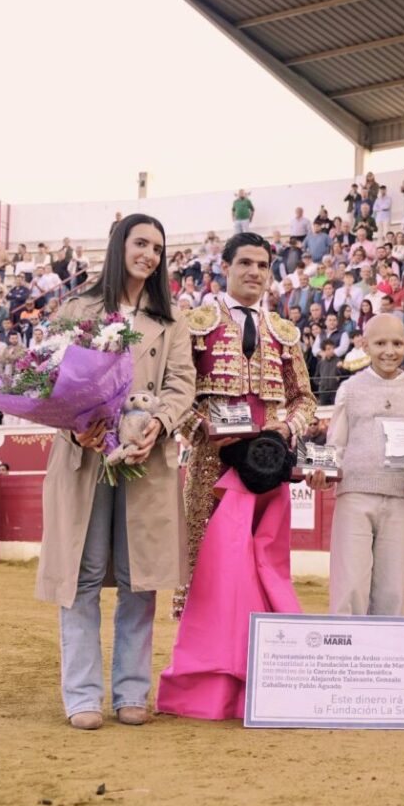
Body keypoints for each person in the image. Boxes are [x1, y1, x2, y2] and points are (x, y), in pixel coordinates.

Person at [34, 214, 196, 730]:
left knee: (139, 578)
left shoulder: (170, 322)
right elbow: (47, 380)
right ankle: (82, 695)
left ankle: (131, 691)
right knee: (81, 575)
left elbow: (181, 386)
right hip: (84, 458)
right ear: (119, 246)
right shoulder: (76, 309)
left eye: (157, 248)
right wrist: (74, 428)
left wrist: (160, 424)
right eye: (141, 242)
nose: (149, 254)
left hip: (144, 461)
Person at [157, 232, 317, 721]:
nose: (254, 272)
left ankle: (264, 680)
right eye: (244, 262)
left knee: (263, 565)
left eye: (262, 265)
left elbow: (305, 401)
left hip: (266, 465)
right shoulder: (196, 323)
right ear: (225, 267)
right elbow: (176, 390)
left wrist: (285, 429)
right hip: (212, 462)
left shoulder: (285, 333)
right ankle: (209, 686)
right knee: (213, 573)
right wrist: (196, 428)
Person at [308, 314, 404, 615]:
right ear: (365, 346)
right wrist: (323, 474)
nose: (389, 351)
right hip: (354, 496)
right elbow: (336, 446)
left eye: (397, 343)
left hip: (399, 499)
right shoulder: (349, 390)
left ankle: (386, 660)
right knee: (349, 587)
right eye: (380, 343)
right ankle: (346, 659)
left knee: (392, 592)